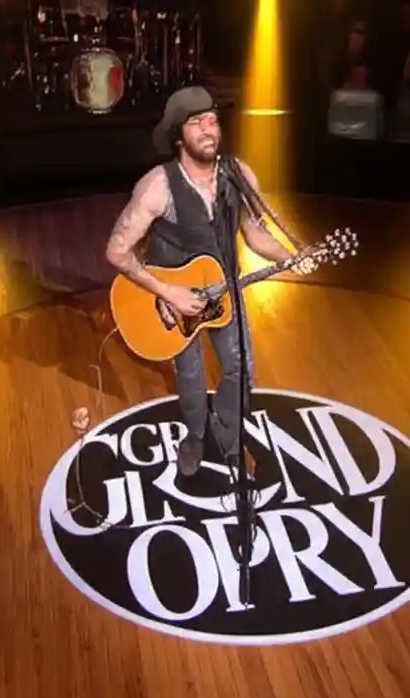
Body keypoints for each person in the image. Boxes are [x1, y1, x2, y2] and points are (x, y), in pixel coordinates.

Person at [104, 86, 304, 477]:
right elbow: (116, 250)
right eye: (197, 123)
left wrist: (288, 256)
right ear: (179, 136)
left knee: (240, 369)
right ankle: (195, 436)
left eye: (212, 120)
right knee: (191, 374)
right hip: (172, 297)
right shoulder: (157, 186)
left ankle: (228, 436)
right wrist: (167, 291)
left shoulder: (239, 173)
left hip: (224, 288)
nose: (209, 129)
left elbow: (253, 231)